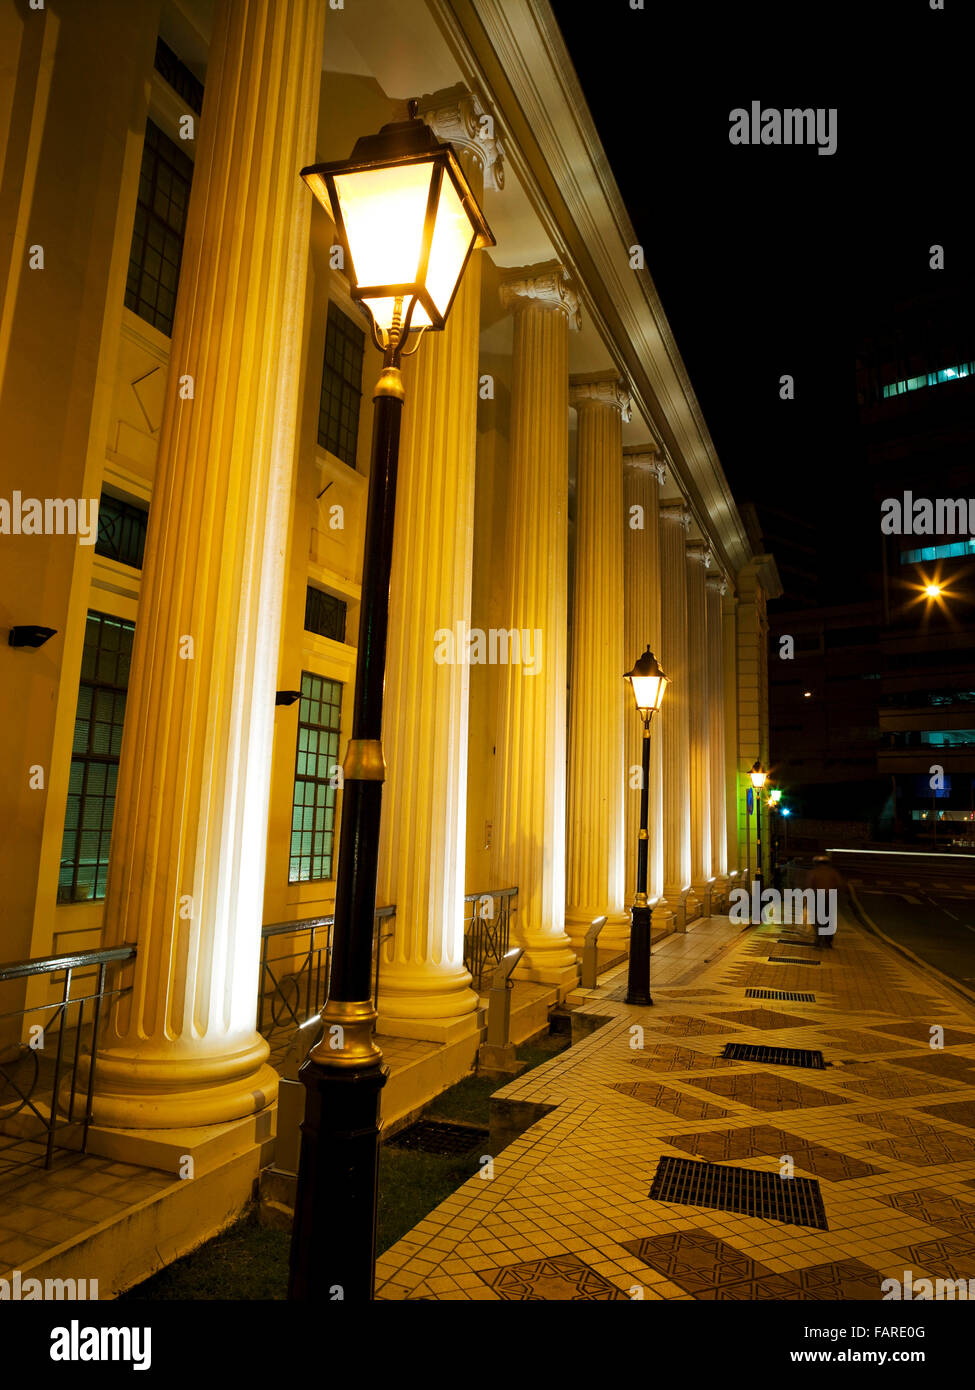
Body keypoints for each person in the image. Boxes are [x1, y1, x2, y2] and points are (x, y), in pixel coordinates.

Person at [807, 854, 844, 948]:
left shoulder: (813, 872)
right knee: (829, 919)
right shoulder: (833, 872)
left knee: (818, 919)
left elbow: (809, 885)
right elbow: (840, 884)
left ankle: (818, 939)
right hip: (830, 897)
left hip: (817, 897)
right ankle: (828, 941)